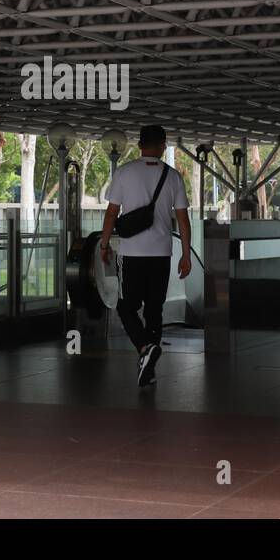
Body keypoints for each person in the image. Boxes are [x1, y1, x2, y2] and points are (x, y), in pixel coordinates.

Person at [100, 125, 191, 387]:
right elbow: (183, 220)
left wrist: (105, 244)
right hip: (162, 254)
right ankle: (148, 367)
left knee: (126, 307)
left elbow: (111, 213)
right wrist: (186, 255)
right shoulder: (173, 177)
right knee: (154, 309)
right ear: (163, 146)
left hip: (132, 253)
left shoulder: (125, 172)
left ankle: (143, 348)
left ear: (140, 145)